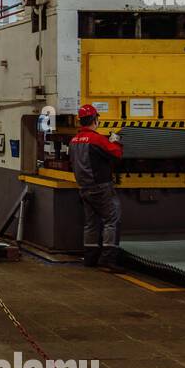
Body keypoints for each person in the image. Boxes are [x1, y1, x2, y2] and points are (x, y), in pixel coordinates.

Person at [69, 103, 124, 270]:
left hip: (84, 188)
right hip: (101, 187)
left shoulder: (73, 141)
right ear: (94, 119)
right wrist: (115, 140)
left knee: (91, 223)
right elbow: (116, 153)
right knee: (111, 219)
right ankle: (108, 259)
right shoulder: (96, 139)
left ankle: (90, 257)